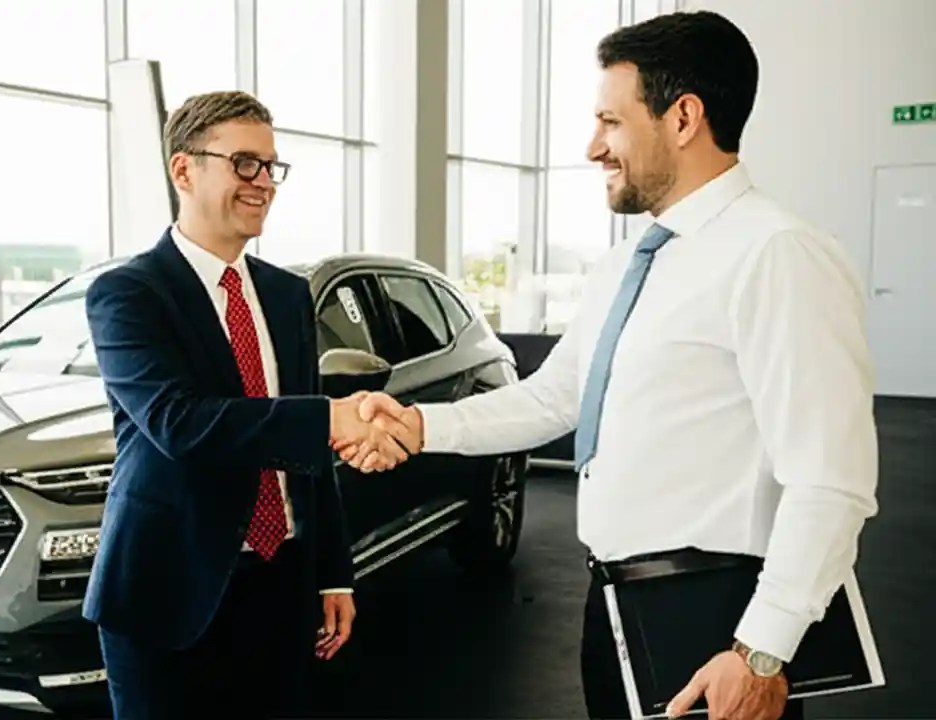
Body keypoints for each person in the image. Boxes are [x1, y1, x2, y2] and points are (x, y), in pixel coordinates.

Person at [341, 10, 879, 720]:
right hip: (618, 610)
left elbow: (830, 481)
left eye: (610, 121)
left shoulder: (777, 254)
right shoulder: (632, 261)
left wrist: (761, 650)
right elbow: (554, 400)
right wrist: (416, 424)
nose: (593, 147)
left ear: (683, 117)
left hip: (717, 625)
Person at [83, 90, 420, 719]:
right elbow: (180, 424)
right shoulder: (129, 294)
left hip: (280, 584)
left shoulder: (287, 295)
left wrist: (331, 572)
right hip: (168, 591)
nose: (263, 182)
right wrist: (331, 417)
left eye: (270, 166)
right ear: (183, 169)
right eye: (245, 163)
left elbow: (302, 459)